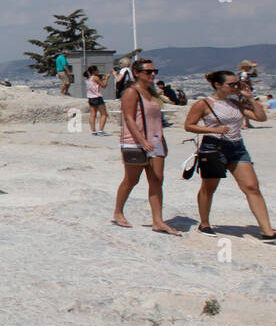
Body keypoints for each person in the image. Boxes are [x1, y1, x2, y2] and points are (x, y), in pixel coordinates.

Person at [183, 70, 275, 241]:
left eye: (237, 84)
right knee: (209, 187)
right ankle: (204, 223)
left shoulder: (235, 103)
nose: (235, 87)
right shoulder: (204, 104)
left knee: (252, 187)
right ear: (218, 85)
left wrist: (248, 97)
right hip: (213, 147)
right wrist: (212, 130)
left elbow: (260, 118)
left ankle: (267, 230)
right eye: (231, 84)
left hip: (237, 147)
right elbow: (189, 126)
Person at [111, 60, 177, 234]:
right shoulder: (131, 92)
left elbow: (156, 120)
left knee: (157, 179)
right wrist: (141, 140)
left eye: (154, 71)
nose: (153, 74)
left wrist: (162, 141)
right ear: (137, 73)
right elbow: (129, 118)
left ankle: (158, 220)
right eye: (148, 72)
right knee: (131, 180)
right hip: (135, 142)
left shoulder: (152, 93)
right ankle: (118, 212)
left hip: (155, 142)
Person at [84, 66, 109, 135]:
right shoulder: (95, 77)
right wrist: (107, 79)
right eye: (97, 70)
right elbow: (104, 86)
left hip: (90, 97)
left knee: (92, 114)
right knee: (104, 114)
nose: (98, 71)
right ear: (94, 71)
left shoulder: (88, 78)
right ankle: (101, 130)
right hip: (97, 97)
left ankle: (93, 131)